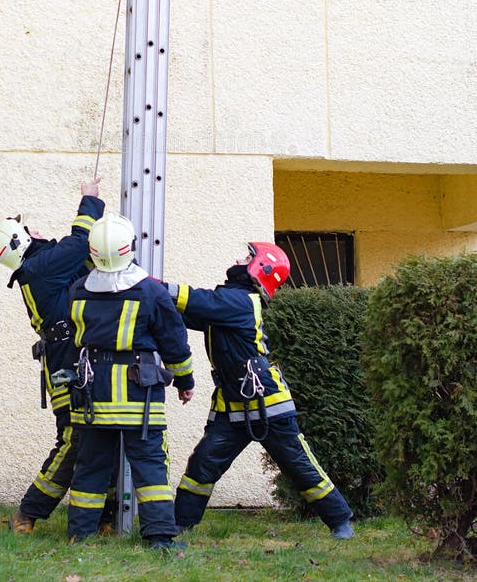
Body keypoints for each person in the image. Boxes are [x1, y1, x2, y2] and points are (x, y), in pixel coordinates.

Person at [164, 241, 355, 540]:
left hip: (268, 404)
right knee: (203, 463)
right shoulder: (228, 302)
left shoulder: (239, 301)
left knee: (299, 465)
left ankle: (341, 521)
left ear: (260, 268)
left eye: (248, 256)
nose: (239, 258)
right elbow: (188, 312)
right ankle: (180, 523)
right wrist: (154, 299)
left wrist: (148, 285)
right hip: (232, 405)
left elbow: (194, 301)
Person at [62, 211, 195, 549]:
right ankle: (161, 537)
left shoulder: (78, 290)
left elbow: (76, 338)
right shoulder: (150, 291)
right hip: (139, 395)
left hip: (92, 392)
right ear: (130, 247)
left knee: (90, 465)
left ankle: (80, 534)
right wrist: (184, 381)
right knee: (150, 466)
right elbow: (174, 342)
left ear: (92, 252)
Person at [0, 178, 107, 534]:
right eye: (27, 229)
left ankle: (106, 518)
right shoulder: (42, 266)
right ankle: (28, 513)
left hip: (70, 359)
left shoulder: (42, 268)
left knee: (102, 434)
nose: (34, 229)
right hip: (67, 363)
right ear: (20, 241)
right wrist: (90, 198)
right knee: (73, 440)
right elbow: (80, 242)